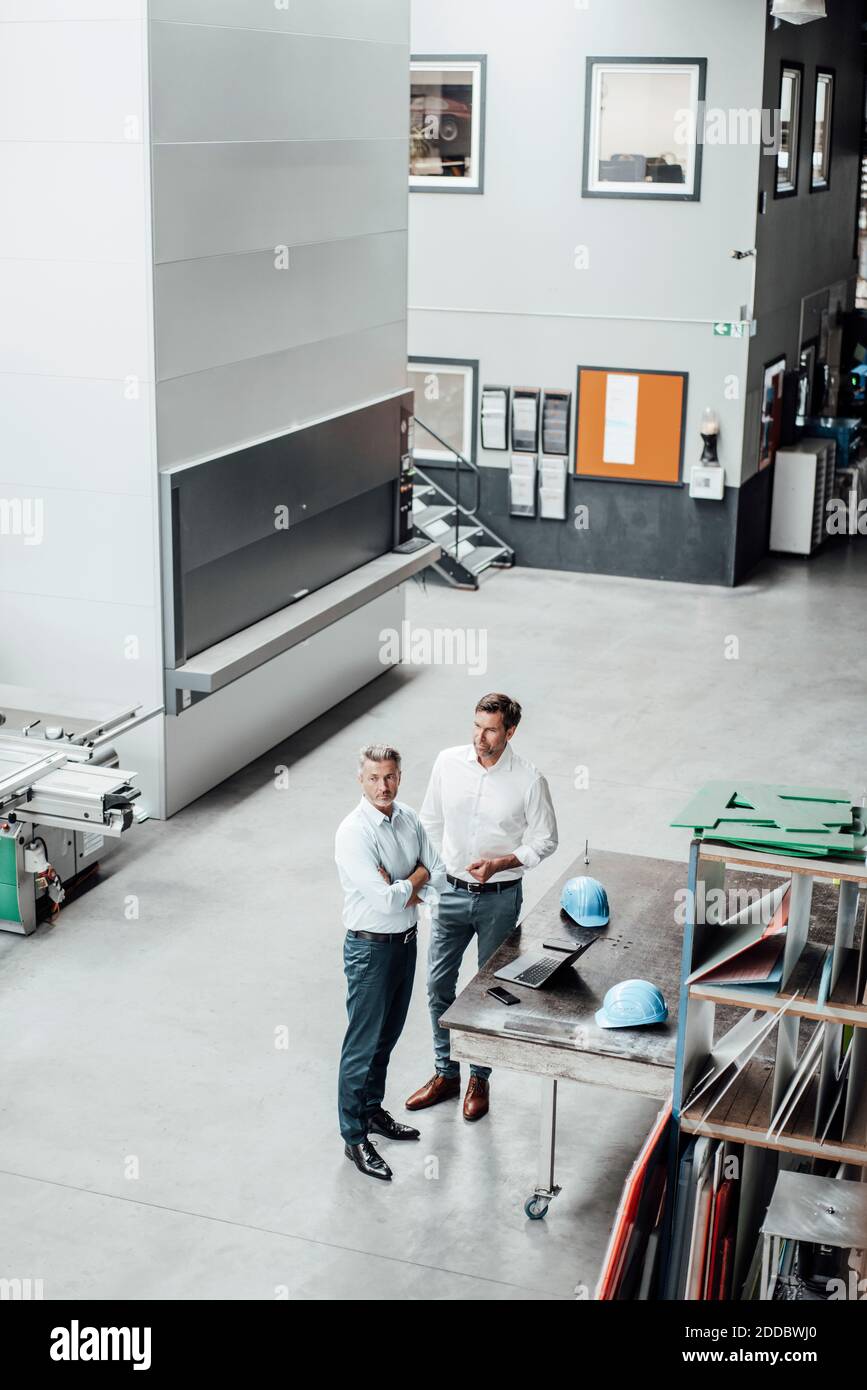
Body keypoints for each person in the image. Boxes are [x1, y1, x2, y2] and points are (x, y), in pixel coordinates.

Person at [406, 695, 558, 1121]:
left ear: (510, 732)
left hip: (499, 899)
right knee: (439, 987)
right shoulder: (447, 763)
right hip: (449, 894)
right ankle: (446, 1073)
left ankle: (479, 1077)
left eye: (490, 729)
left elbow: (545, 839)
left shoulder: (529, 779)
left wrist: (503, 863)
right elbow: (430, 822)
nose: (480, 737)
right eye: (476, 726)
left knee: (492, 992)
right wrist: (427, 878)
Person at [335, 743, 447, 1181]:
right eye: (374, 778)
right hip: (370, 949)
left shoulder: (409, 819)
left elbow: (436, 874)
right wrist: (411, 881)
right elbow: (384, 901)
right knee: (362, 1045)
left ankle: (371, 1110)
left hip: (404, 942)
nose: (384, 786)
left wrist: (408, 881)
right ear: (360, 780)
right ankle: (354, 1136)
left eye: (391, 776)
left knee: (387, 1036)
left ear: (399, 776)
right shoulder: (353, 833)